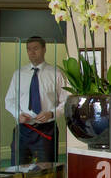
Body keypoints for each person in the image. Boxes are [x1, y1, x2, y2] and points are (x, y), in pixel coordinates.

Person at [4, 35, 67, 165]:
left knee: (46, 170)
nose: (32, 52)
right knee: (18, 168)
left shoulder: (56, 73)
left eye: (36, 48)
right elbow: (9, 100)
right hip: (23, 128)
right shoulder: (19, 74)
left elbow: (66, 101)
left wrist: (52, 113)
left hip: (46, 129)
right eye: (29, 49)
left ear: (44, 49)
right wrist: (18, 115)